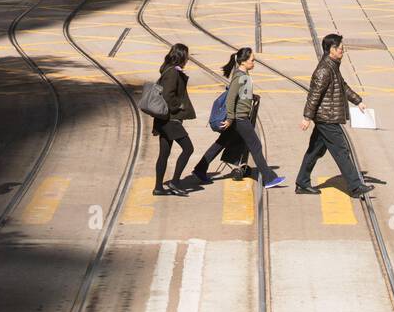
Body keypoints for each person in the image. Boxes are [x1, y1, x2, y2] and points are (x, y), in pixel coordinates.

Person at [296, 33, 372, 199]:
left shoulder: (332, 66)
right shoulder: (324, 70)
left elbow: (342, 87)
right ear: (331, 49)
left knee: (315, 151)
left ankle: (302, 182)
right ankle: (355, 186)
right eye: (340, 49)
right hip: (326, 118)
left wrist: (358, 101)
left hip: (326, 117)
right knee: (341, 151)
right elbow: (314, 95)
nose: (342, 52)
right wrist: (306, 118)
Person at [213, 47, 284, 188]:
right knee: (256, 146)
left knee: (221, 143)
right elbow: (231, 98)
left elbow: (242, 95)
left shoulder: (244, 75)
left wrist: (252, 97)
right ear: (244, 62)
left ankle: (199, 169)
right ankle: (268, 178)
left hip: (240, 117)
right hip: (240, 118)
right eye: (252, 60)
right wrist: (230, 119)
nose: (254, 63)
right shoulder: (240, 76)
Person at [153, 43, 196, 197]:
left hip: (163, 120)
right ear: (181, 56)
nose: (188, 58)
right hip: (170, 119)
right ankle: (175, 181)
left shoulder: (168, 69)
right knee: (188, 148)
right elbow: (167, 96)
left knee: (164, 153)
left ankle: (158, 187)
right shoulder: (172, 73)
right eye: (187, 55)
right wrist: (179, 106)